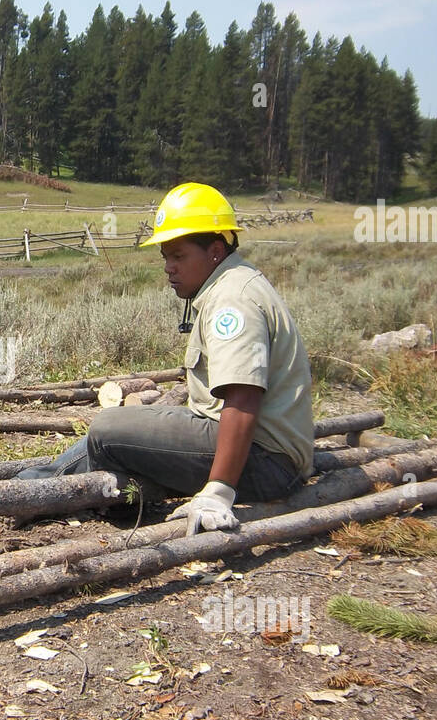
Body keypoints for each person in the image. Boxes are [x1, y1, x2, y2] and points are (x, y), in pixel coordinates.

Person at [17, 182, 313, 535]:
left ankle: (28, 494)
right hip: (259, 452)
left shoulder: (232, 301)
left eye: (179, 256)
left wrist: (219, 491)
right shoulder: (234, 284)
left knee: (107, 429)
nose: (169, 268)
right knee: (124, 427)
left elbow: (243, 398)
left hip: (264, 463)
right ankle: (30, 487)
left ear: (215, 251)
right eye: (165, 258)